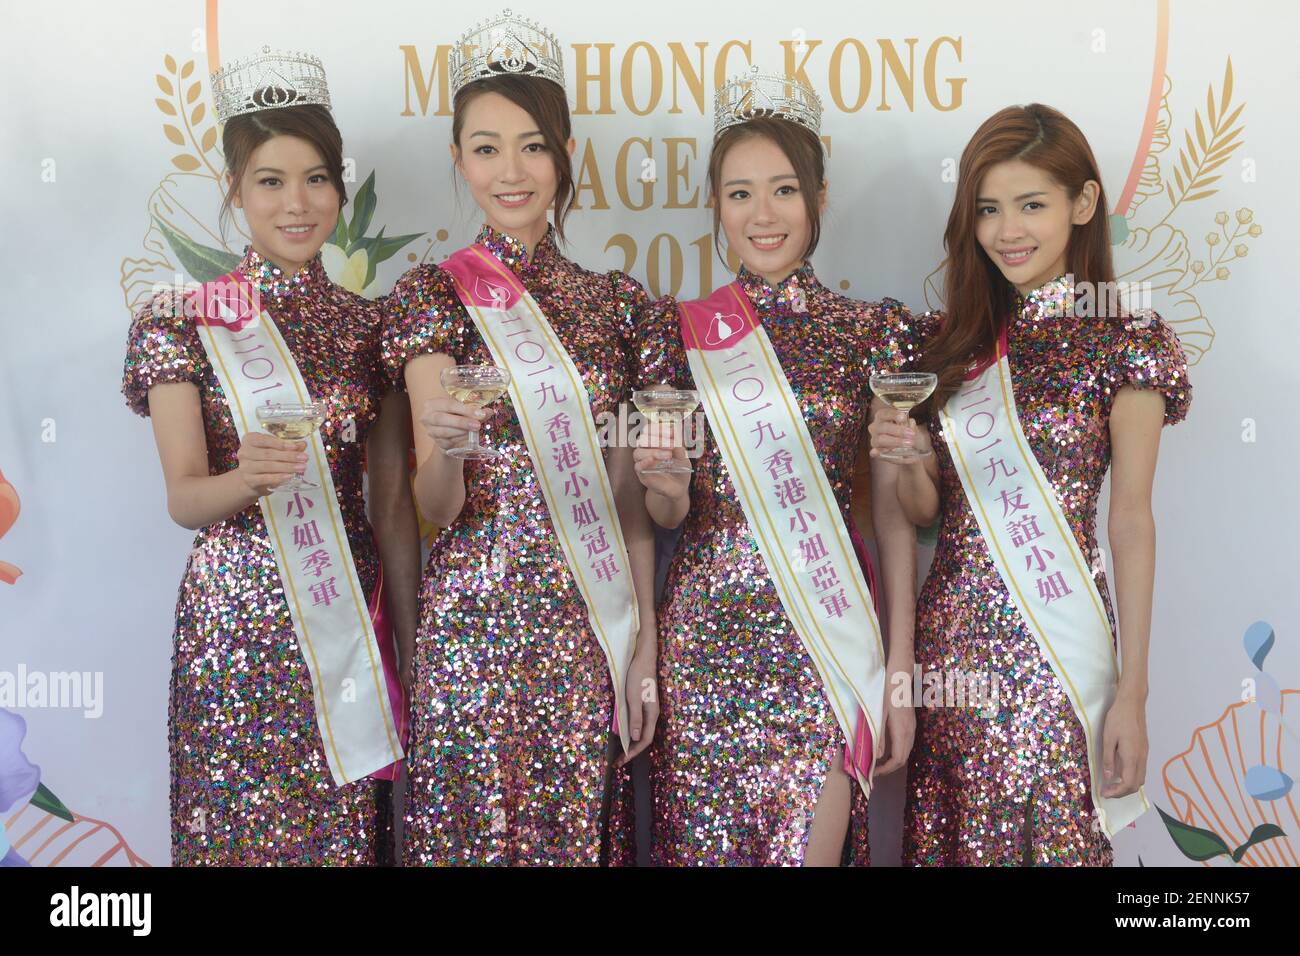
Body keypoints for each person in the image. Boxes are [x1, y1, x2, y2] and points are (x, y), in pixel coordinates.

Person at [869, 103, 1192, 865]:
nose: (1007, 230)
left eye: (1032, 205)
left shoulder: (1125, 338)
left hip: (1060, 656)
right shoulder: (943, 348)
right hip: (954, 655)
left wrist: (1134, 695)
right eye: (988, 208)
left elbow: (1132, 522)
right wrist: (912, 457)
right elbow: (924, 515)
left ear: (1082, 206)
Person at [122, 48, 418, 865]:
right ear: (233, 189)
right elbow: (184, 498)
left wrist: (414, 640)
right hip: (237, 624)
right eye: (271, 181)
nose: (297, 203)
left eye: (317, 179)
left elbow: (391, 505)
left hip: (350, 621)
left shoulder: (374, 328)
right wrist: (241, 478)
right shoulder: (183, 319)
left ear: (339, 187)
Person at [383, 11, 659, 865]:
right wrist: (451, 449)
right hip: (469, 629)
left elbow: (627, 499)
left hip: (588, 631)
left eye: (533, 146)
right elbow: (435, 504)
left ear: (567, 151)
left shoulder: (620, 307)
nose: (512, 171)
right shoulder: (434, 294)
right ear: (459, 159)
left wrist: (643, 638)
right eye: (487, 147)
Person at [633, 70, 920, 865]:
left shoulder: (874, 332)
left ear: (819, 196)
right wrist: (664, 490)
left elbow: (893, 512)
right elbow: (666, 518)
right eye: (739, 194)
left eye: (784, 190)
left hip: (824, 643)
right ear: (716, 208)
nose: (763, 216)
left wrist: (900, 666)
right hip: (706, 644)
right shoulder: (679, 336)